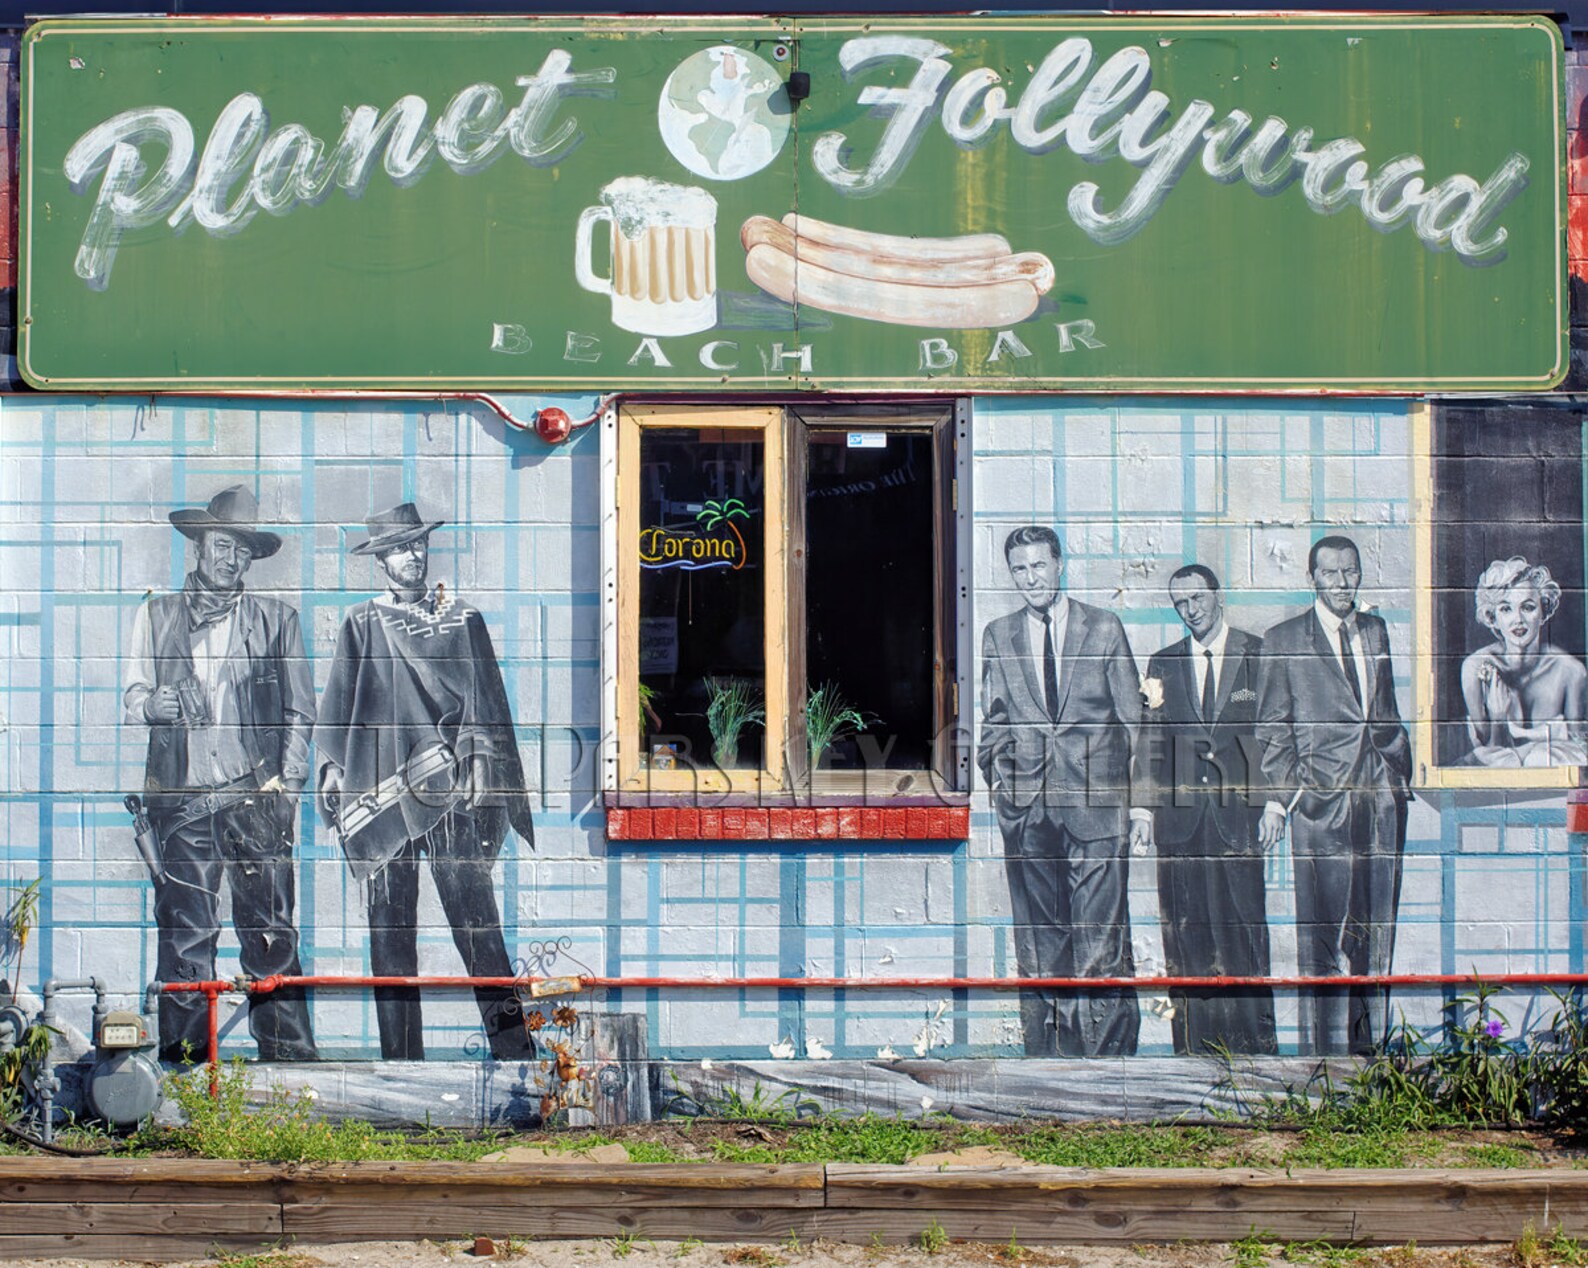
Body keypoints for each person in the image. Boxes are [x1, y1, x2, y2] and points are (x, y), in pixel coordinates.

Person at [315, 503, 536, 1061]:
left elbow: (487, 704)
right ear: (381, 559)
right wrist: (332, 770)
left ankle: (516, 1054)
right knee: (390, 938)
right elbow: (341, 709)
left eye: (416, 545)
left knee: (478, 927)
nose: (410, 556)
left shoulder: (463, 619)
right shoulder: (362, 622)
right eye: (397, 548)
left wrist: (481, 766)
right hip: (383, 801)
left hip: (451, 796)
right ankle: (399, 1064)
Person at [124, 485, 318, 1063]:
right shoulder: (155, 613)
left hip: (255, 798)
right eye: (220, 544)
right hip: (182, 804)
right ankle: (184, 1067)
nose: (229, 558)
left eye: (240, 549)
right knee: (186, 936)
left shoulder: (278, 621)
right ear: (199, 546)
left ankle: (287, 1061)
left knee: (270, 934)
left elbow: (300, 711)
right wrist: (148, 706)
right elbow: (133, 694)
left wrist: (287, 786)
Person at [977, 525, 1142, 1057]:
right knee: (1040, 943)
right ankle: (1050, 1059)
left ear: (1060, 565)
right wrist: (1002, 788)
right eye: (1020, 570)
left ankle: (1106, 1062)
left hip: (1097, 806)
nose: (1031, 578)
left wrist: (1138, 803)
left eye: (1039, 566)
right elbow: (994, 722)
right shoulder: (998, 634)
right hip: (1027, 811)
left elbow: (1135, 723)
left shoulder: (1104, 627)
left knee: (1099, 937)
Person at [1256, 535, 1412, 1056]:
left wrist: (1399, 771)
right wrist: (1287, 796)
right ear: (1312, 579)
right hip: (1321, 805)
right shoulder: (1282, 640)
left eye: (1351, 572)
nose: (1343, 583)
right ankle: (1321, 1060)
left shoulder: (1375, 629)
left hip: (1381, 799)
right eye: (1331, 574)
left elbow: (1382, 712)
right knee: (1320, 939)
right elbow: (1272, 729)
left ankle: (1369, 1054)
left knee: (1374, 932)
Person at [1130, 565, 1277, 1055]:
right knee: (1186, 938)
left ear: (1219, 596)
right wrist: (1145, 812)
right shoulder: (1161, 664)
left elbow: (1275, 733)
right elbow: (1151, 741)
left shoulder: (1256, 654)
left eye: (1197, 599)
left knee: (1244, 934)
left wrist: (1274, 800)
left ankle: (1256, 1053)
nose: (1190, 610)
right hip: (1179, 824)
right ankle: (1191, 1052)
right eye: (1180, 603)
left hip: (1240, 820)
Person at [1460, 557, 1588, 768]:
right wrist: (1499, 717)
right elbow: (1491, 760)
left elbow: (1581, 754)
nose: (1517, 619)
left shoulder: (1571, 672)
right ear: (1492, 618)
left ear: (1543, 611)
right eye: (1505, 609)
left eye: (1527, 607)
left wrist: (1528, 753)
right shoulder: (1475, 668)